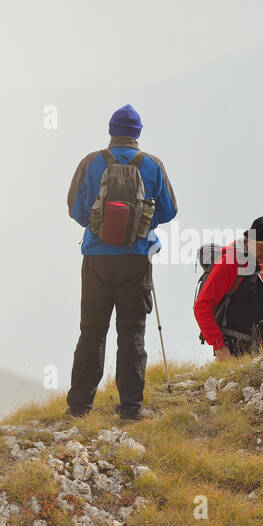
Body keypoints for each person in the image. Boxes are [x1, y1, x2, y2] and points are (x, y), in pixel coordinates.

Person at [65, 104, 178, 420]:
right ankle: (130, 407)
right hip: (135, 258)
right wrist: (142, 224)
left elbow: (75, 209)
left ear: (111, 130)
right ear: (137, 135)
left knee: (92, 330)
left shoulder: (92, 162)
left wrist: (100, 225)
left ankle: (80, 405)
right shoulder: (152, 165)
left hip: (96, 259)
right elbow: (170, 211)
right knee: (132, 332)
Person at [195, 216, 263, 358]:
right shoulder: (230, 263)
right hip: (233, 350)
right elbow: (202, 306)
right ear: (249, 242)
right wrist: (218, 346)